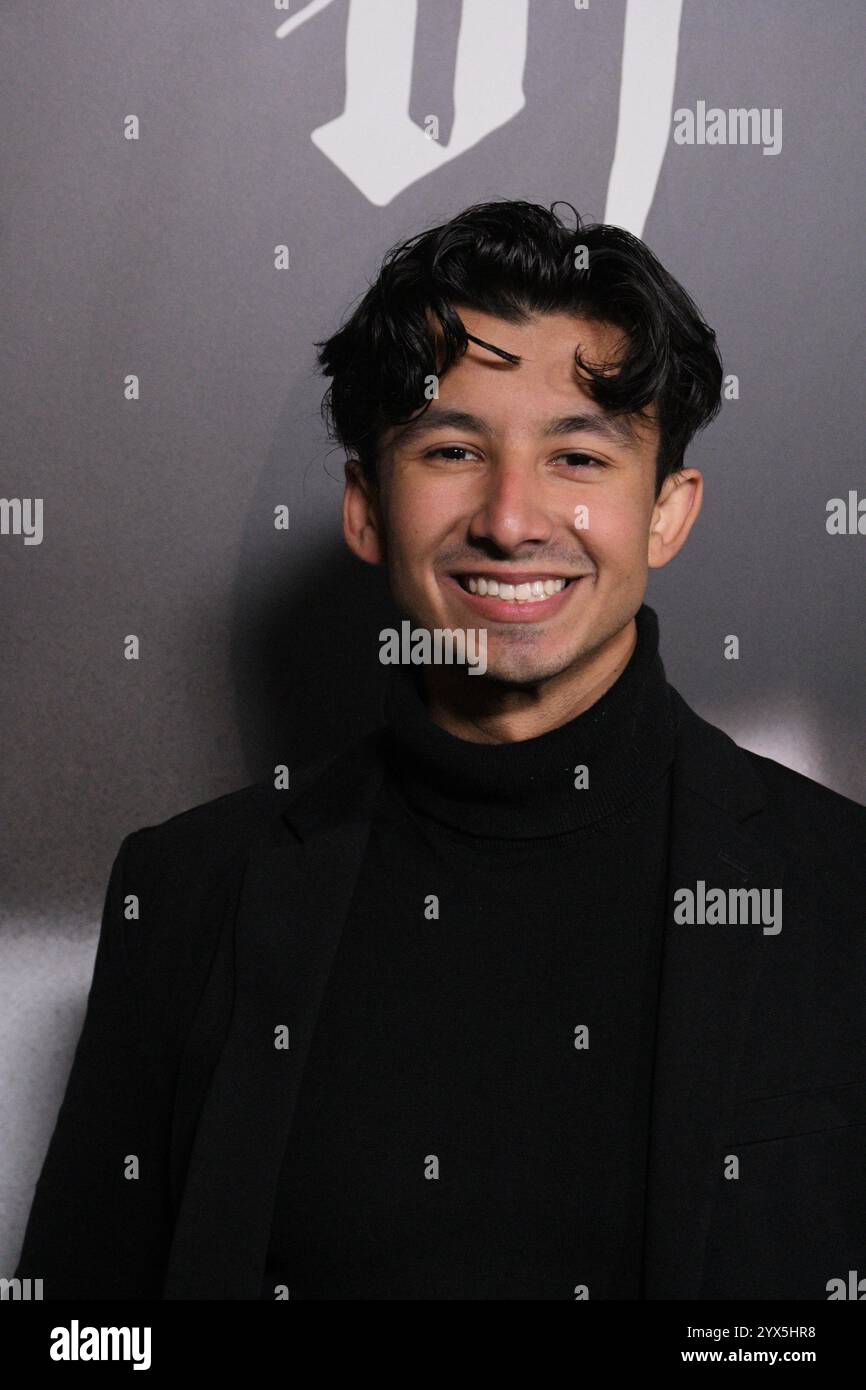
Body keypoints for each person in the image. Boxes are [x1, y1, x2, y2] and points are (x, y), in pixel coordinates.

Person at [14, 200, 866, 1300]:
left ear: (665, 511)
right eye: (453, 449)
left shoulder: (842, 890)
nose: (511, 519)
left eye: (577, 454)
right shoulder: (189, 896)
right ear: (366, 506)